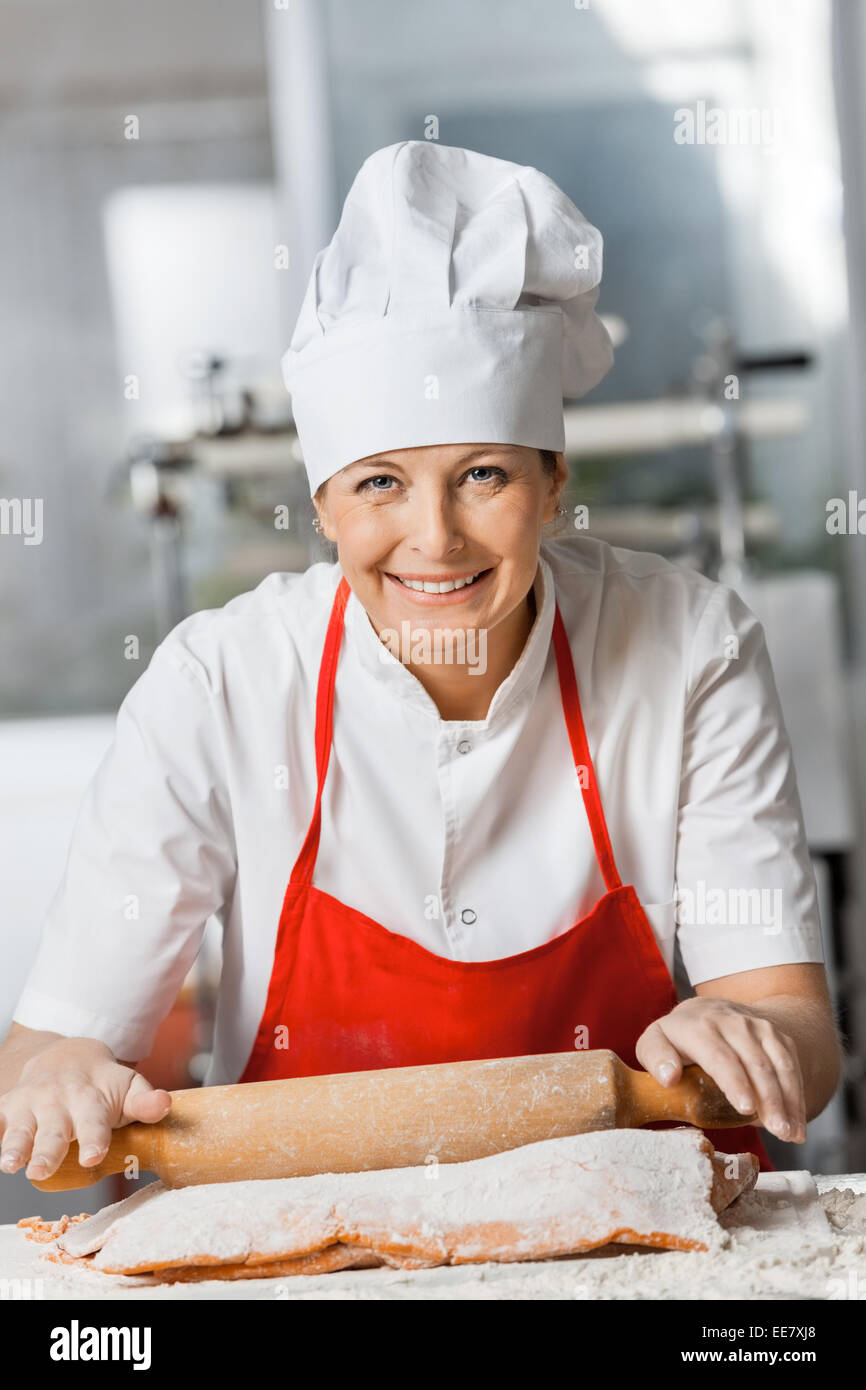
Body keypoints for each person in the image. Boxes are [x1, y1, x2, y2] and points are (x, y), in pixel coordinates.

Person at [0, 141, 841, 1185]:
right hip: (298, 1258)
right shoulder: (218, 684)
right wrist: (59, 1080)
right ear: (320, 507)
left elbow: (796, 1044)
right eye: (380, 485)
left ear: (549, 479)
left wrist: (738, 1034)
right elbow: (49, 1054)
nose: (433, 538)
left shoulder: (688, 645)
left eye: (481, 474)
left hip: (628, 1256)